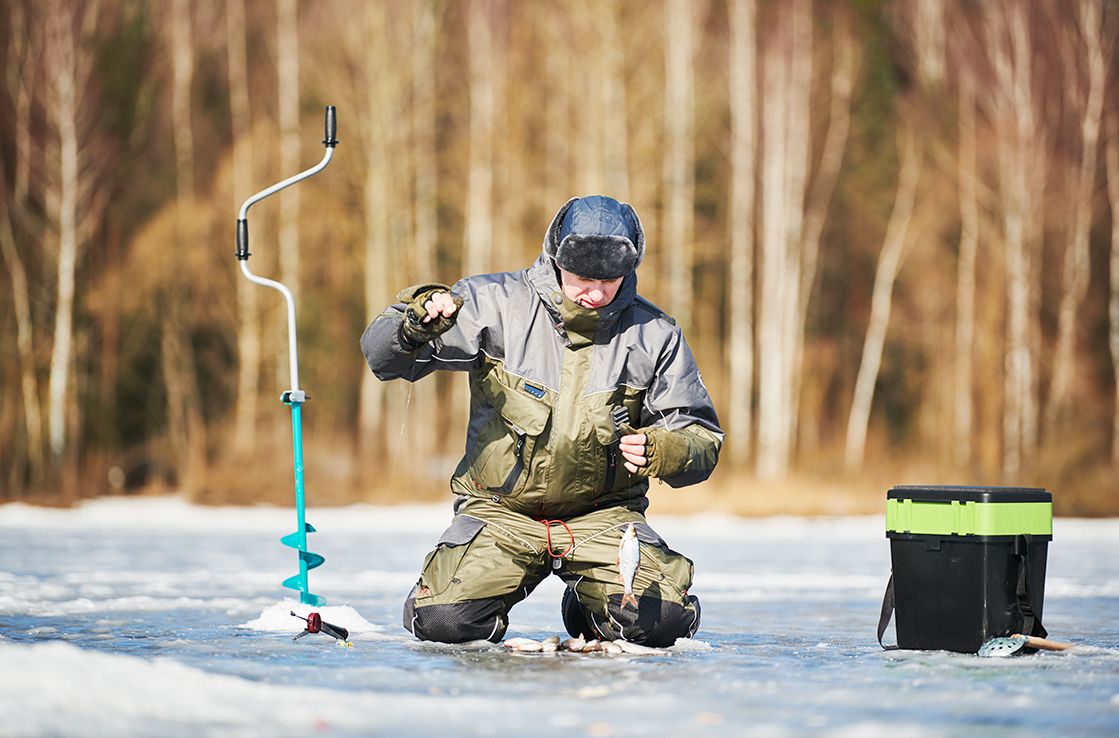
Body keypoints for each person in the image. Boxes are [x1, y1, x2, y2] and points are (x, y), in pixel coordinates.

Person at [360, 195, 723, 647]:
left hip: (606, 518)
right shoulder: (490, 304)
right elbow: (381, 358)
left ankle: (591, 606)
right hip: (500, 512)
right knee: (445, 625)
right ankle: (479, 599)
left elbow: (702, 439)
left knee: (660, 623)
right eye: (582, 278)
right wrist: (412, 328)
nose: (594, 292)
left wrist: (663, 449)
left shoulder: (655, 335)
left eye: (609, 280)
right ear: (556, 259)